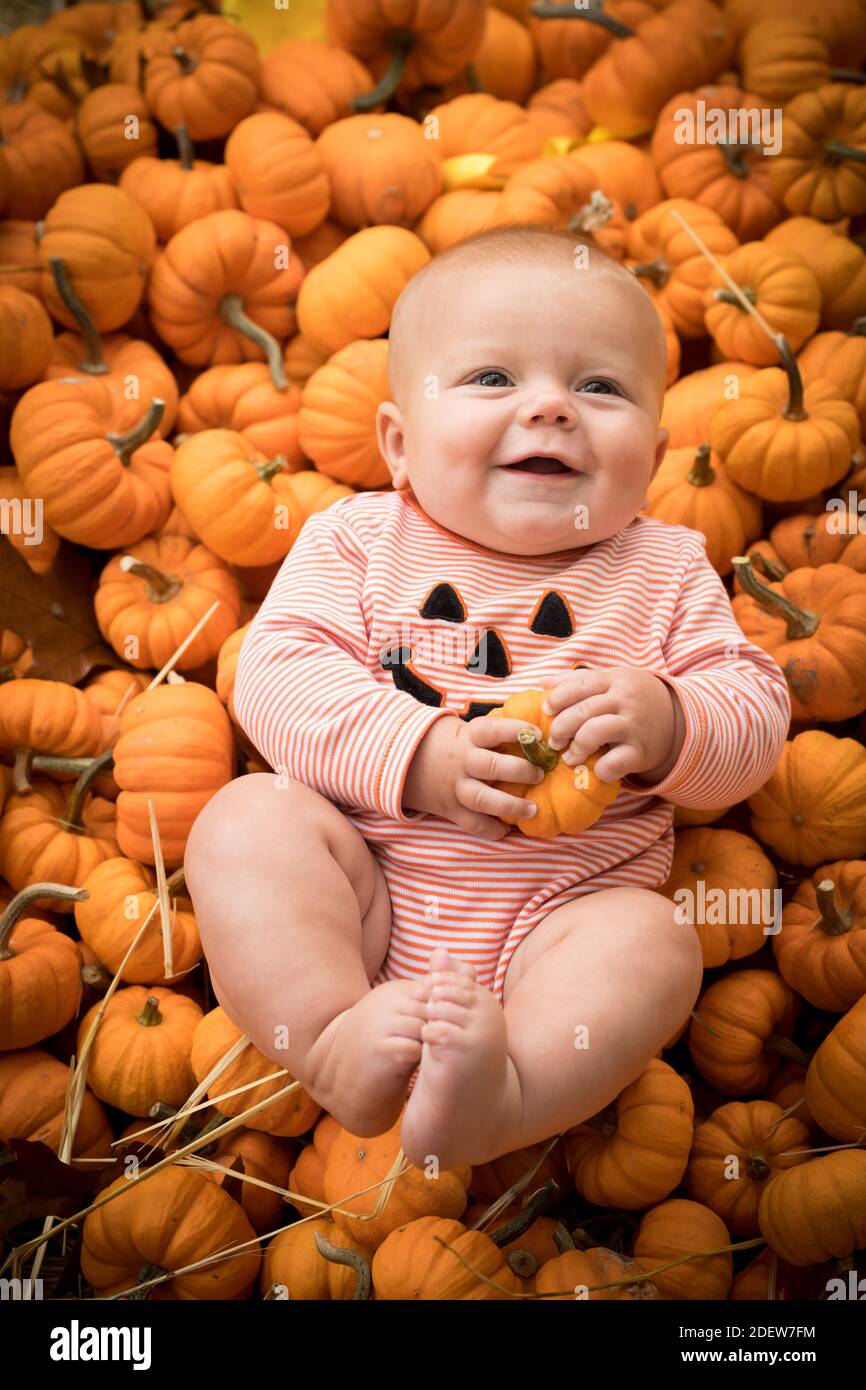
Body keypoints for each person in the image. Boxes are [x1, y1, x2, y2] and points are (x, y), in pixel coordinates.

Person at [184, 225, 791, 1170]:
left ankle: (503, 1100)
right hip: (366, 892)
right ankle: (333, 1034)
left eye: (600, 387)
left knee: (659, 943)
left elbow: (756, 712)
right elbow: (277, 671)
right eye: (492, 380)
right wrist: (416, 756)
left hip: (563, 921)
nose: (551, 408)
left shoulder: (666, 568)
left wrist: (674, 721)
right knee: (244, 822)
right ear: (398, 440)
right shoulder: (358, 539)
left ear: (657, 453)